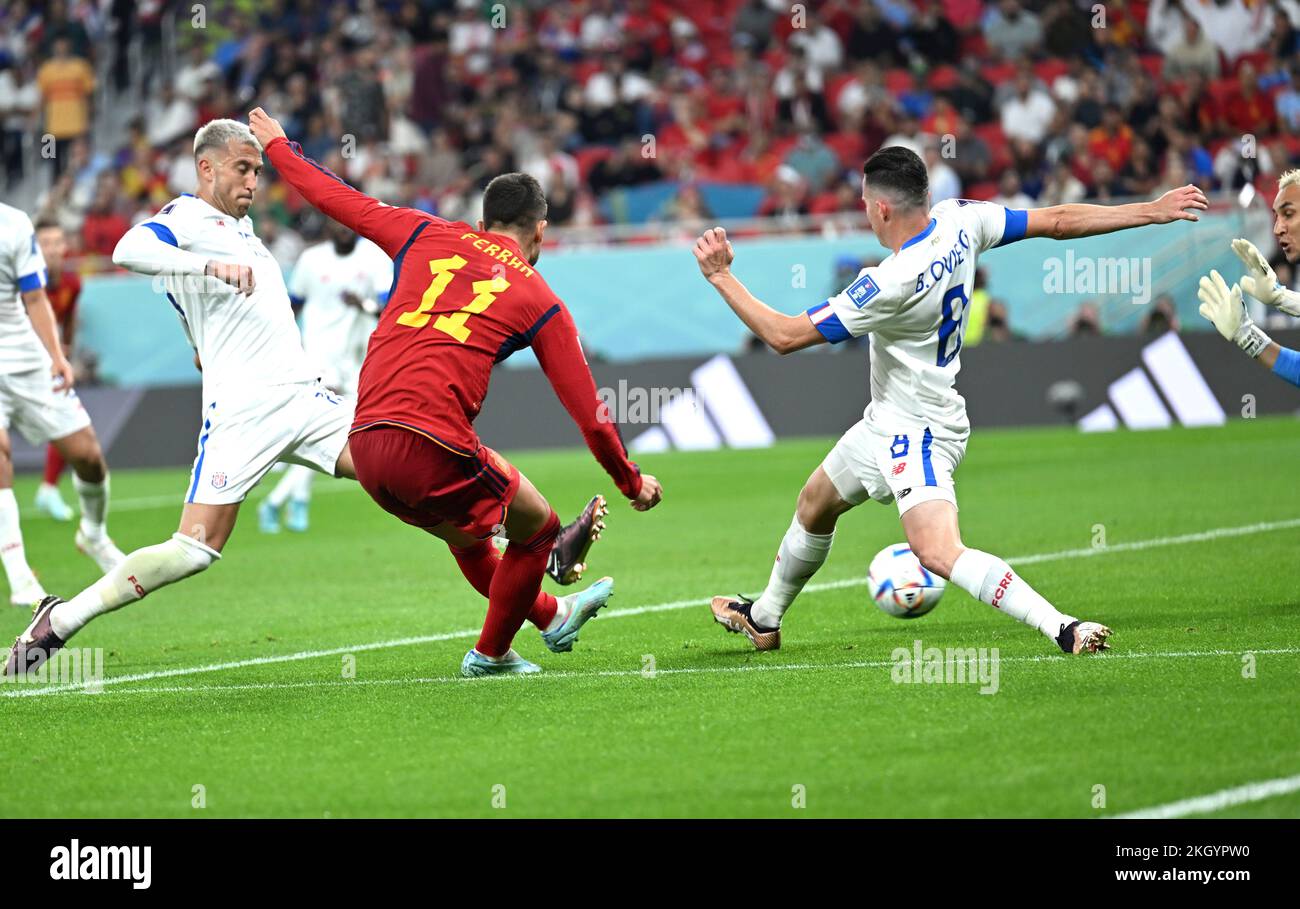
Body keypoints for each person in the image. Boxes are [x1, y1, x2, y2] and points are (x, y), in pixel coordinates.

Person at [6, 119, 605, 677]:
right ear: (206, 168)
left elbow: (211, 308)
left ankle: (541, 590)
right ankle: (58, 621)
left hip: (306, 398)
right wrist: (210, 269)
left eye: (259, 171)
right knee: (194, 549)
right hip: (244, 409)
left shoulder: (242, 230)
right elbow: (128, 250)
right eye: (242, 168)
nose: (252, 181)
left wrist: (199, 329)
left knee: (411, 458)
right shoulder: (186, 218)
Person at [693, 145, 1207, 655]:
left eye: (866, 205)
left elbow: (784, 336)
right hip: (888, 419)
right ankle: (763, 618)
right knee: (814, 503)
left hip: (917, 431)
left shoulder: (887, 283)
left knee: (937, 550)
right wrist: (1150, 209)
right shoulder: (963, 221)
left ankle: (1063, 627)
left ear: (881, 209)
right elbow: (1056, 219)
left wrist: (720, 276)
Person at [245, 107, 663, 677]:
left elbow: (337, 198)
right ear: (540, 229)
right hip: (430, 442)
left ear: (484, 220)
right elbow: (590, 413)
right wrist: (631, 481)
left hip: (365, 445)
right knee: (537, 526)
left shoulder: (423, 231)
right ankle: (490, 655)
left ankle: (552, 616)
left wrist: (279, 150)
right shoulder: (540, 300)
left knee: (469, 541)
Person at [0, 202, 124, 611]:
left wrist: (56, 355)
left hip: (28, 356)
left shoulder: (14, 223)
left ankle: (94, 533)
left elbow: (34, 297)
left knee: (88, 455)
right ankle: (19, 574)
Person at [259, 218, 392, 534]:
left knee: (335, 436)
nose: (343, 230)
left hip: (357, 360)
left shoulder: (372, 258)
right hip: (319, 358)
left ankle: (282, 502)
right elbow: (294, 306)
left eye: (348, 225)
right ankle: (288, 502)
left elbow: (386, 306)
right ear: (328, 228)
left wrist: (365, 304)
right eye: (337, 225)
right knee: (339, 433)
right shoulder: (311, 260)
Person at [31, 217, 81, 522]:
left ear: (65, 246)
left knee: (69, 423)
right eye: (44, 243)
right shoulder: (25, 282)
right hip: (16, 364)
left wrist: (66, 350)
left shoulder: (73, 284)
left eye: (55, 242)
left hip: (49, 364)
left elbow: (70, 320)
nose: (50, 249)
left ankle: (48, 489)